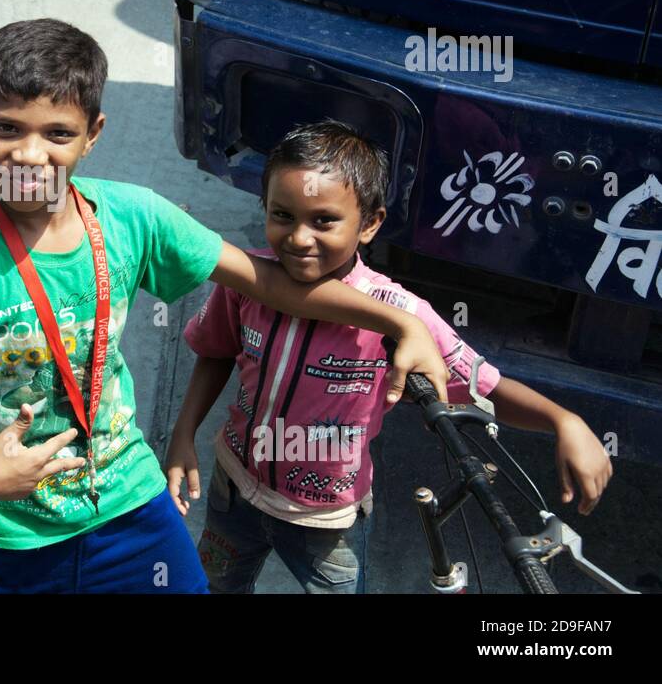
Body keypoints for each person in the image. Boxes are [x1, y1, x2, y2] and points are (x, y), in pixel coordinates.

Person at [0, 18, 454, 594]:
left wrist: (400, 321)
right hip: (1, 535)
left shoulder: (132, 216)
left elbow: (268, 280)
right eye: (6, 128)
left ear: (92, 134)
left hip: (128, 505)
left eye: (57, 131)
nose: (29, 152)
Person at [164, 120, 613, 593]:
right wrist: (183, 435)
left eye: (323, 221)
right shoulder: (247, 281)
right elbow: (214, 351)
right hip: (233, 492)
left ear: (371, 223)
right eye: (282, 215)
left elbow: (489, 388)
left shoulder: (403, 315)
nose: (299, 238)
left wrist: (564, 420)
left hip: (329, 526)